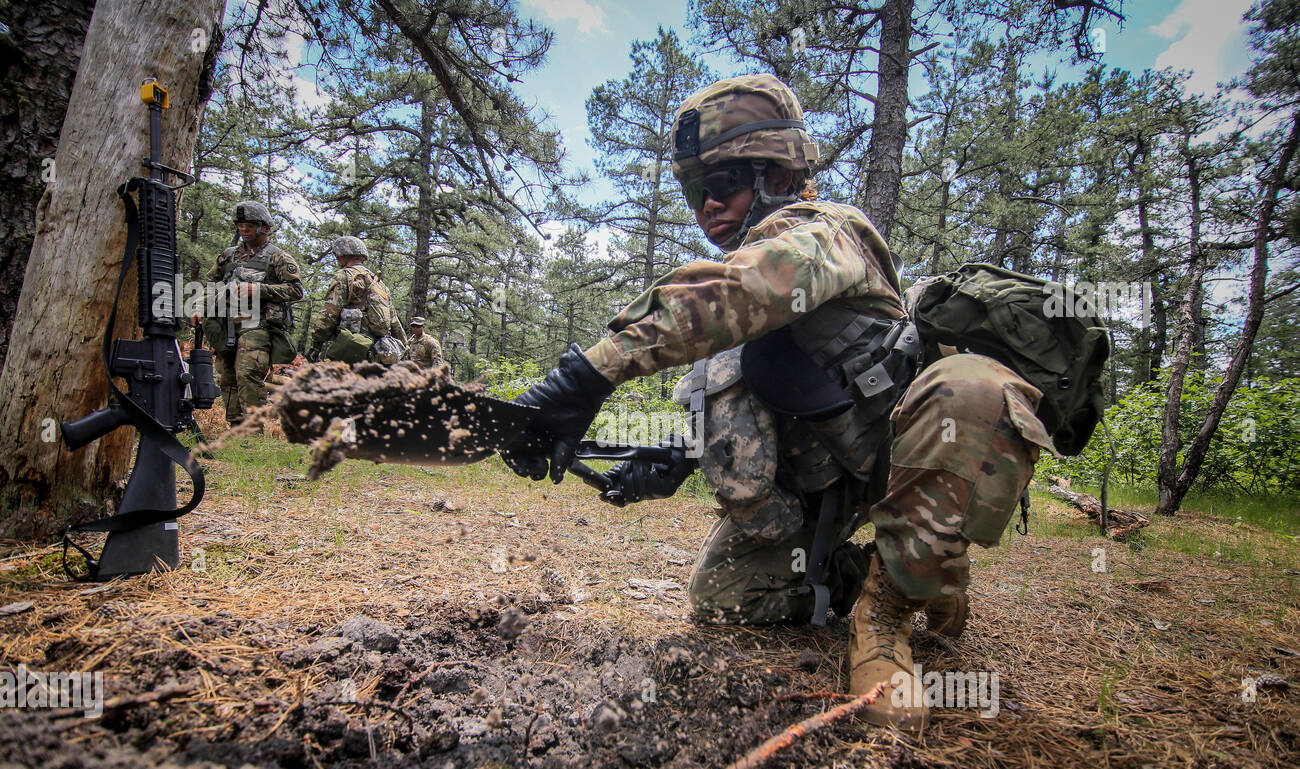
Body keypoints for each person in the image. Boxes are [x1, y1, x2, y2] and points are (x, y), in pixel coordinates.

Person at [502, 75, 1056, 731]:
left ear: (777, 170)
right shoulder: (740, 284)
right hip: (821, 483)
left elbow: (752, 289)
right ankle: (890, 565)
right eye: (695, 192)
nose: (706, 206)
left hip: (899, 461)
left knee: (974, 387)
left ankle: (886, 612)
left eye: (724, 181)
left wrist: (589, 375)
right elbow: (743, 376)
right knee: (725, 599)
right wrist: (675, 460)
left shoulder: (824, 234)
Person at [197, 200, 303, 425]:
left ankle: (254, 429)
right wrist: (199, 307)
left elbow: (296, 290)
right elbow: (210, 284)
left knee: (247, 373)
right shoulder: (228, 256)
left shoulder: (278, 257)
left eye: (250, 225)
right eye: (240, 225)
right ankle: (235, 427)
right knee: (226, 375)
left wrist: (259, 290)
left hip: (258, 324)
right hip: (226, 323)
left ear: (264, 227)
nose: (244, 230)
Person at [311, 236, 399, 364]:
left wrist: (316, 344)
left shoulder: (344, 276)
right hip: (376, 350)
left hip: (349, 347)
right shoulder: (379, 283)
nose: (337, 258)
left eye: (337, 255)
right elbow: (394, 321)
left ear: (344, 254)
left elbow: (329, 314)